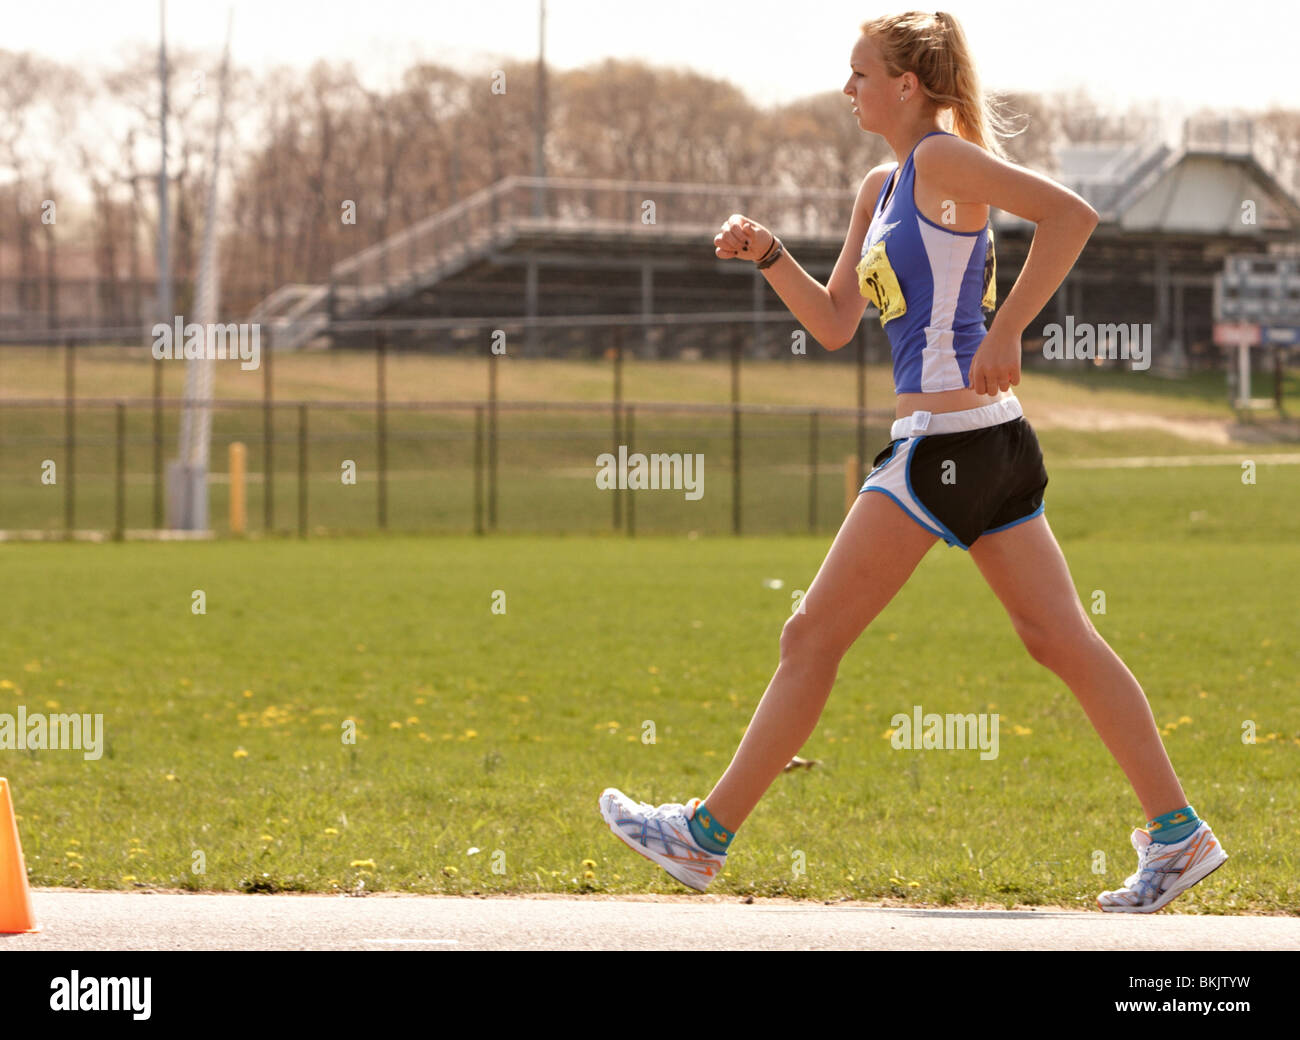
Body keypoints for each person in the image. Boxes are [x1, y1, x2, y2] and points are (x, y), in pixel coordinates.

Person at [599, 10, 1225, 913]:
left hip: (947, 447)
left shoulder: (940, 159)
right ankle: (1178, 835)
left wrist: (1009, 328)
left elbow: (1072, 215)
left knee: (810, 635)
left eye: (859, 73)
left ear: (907, 85)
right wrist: (769, 253)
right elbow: (834, 323)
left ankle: (702, 838)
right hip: (986, 443)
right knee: (1059, 639)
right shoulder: (882, 187)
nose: (846, 88)